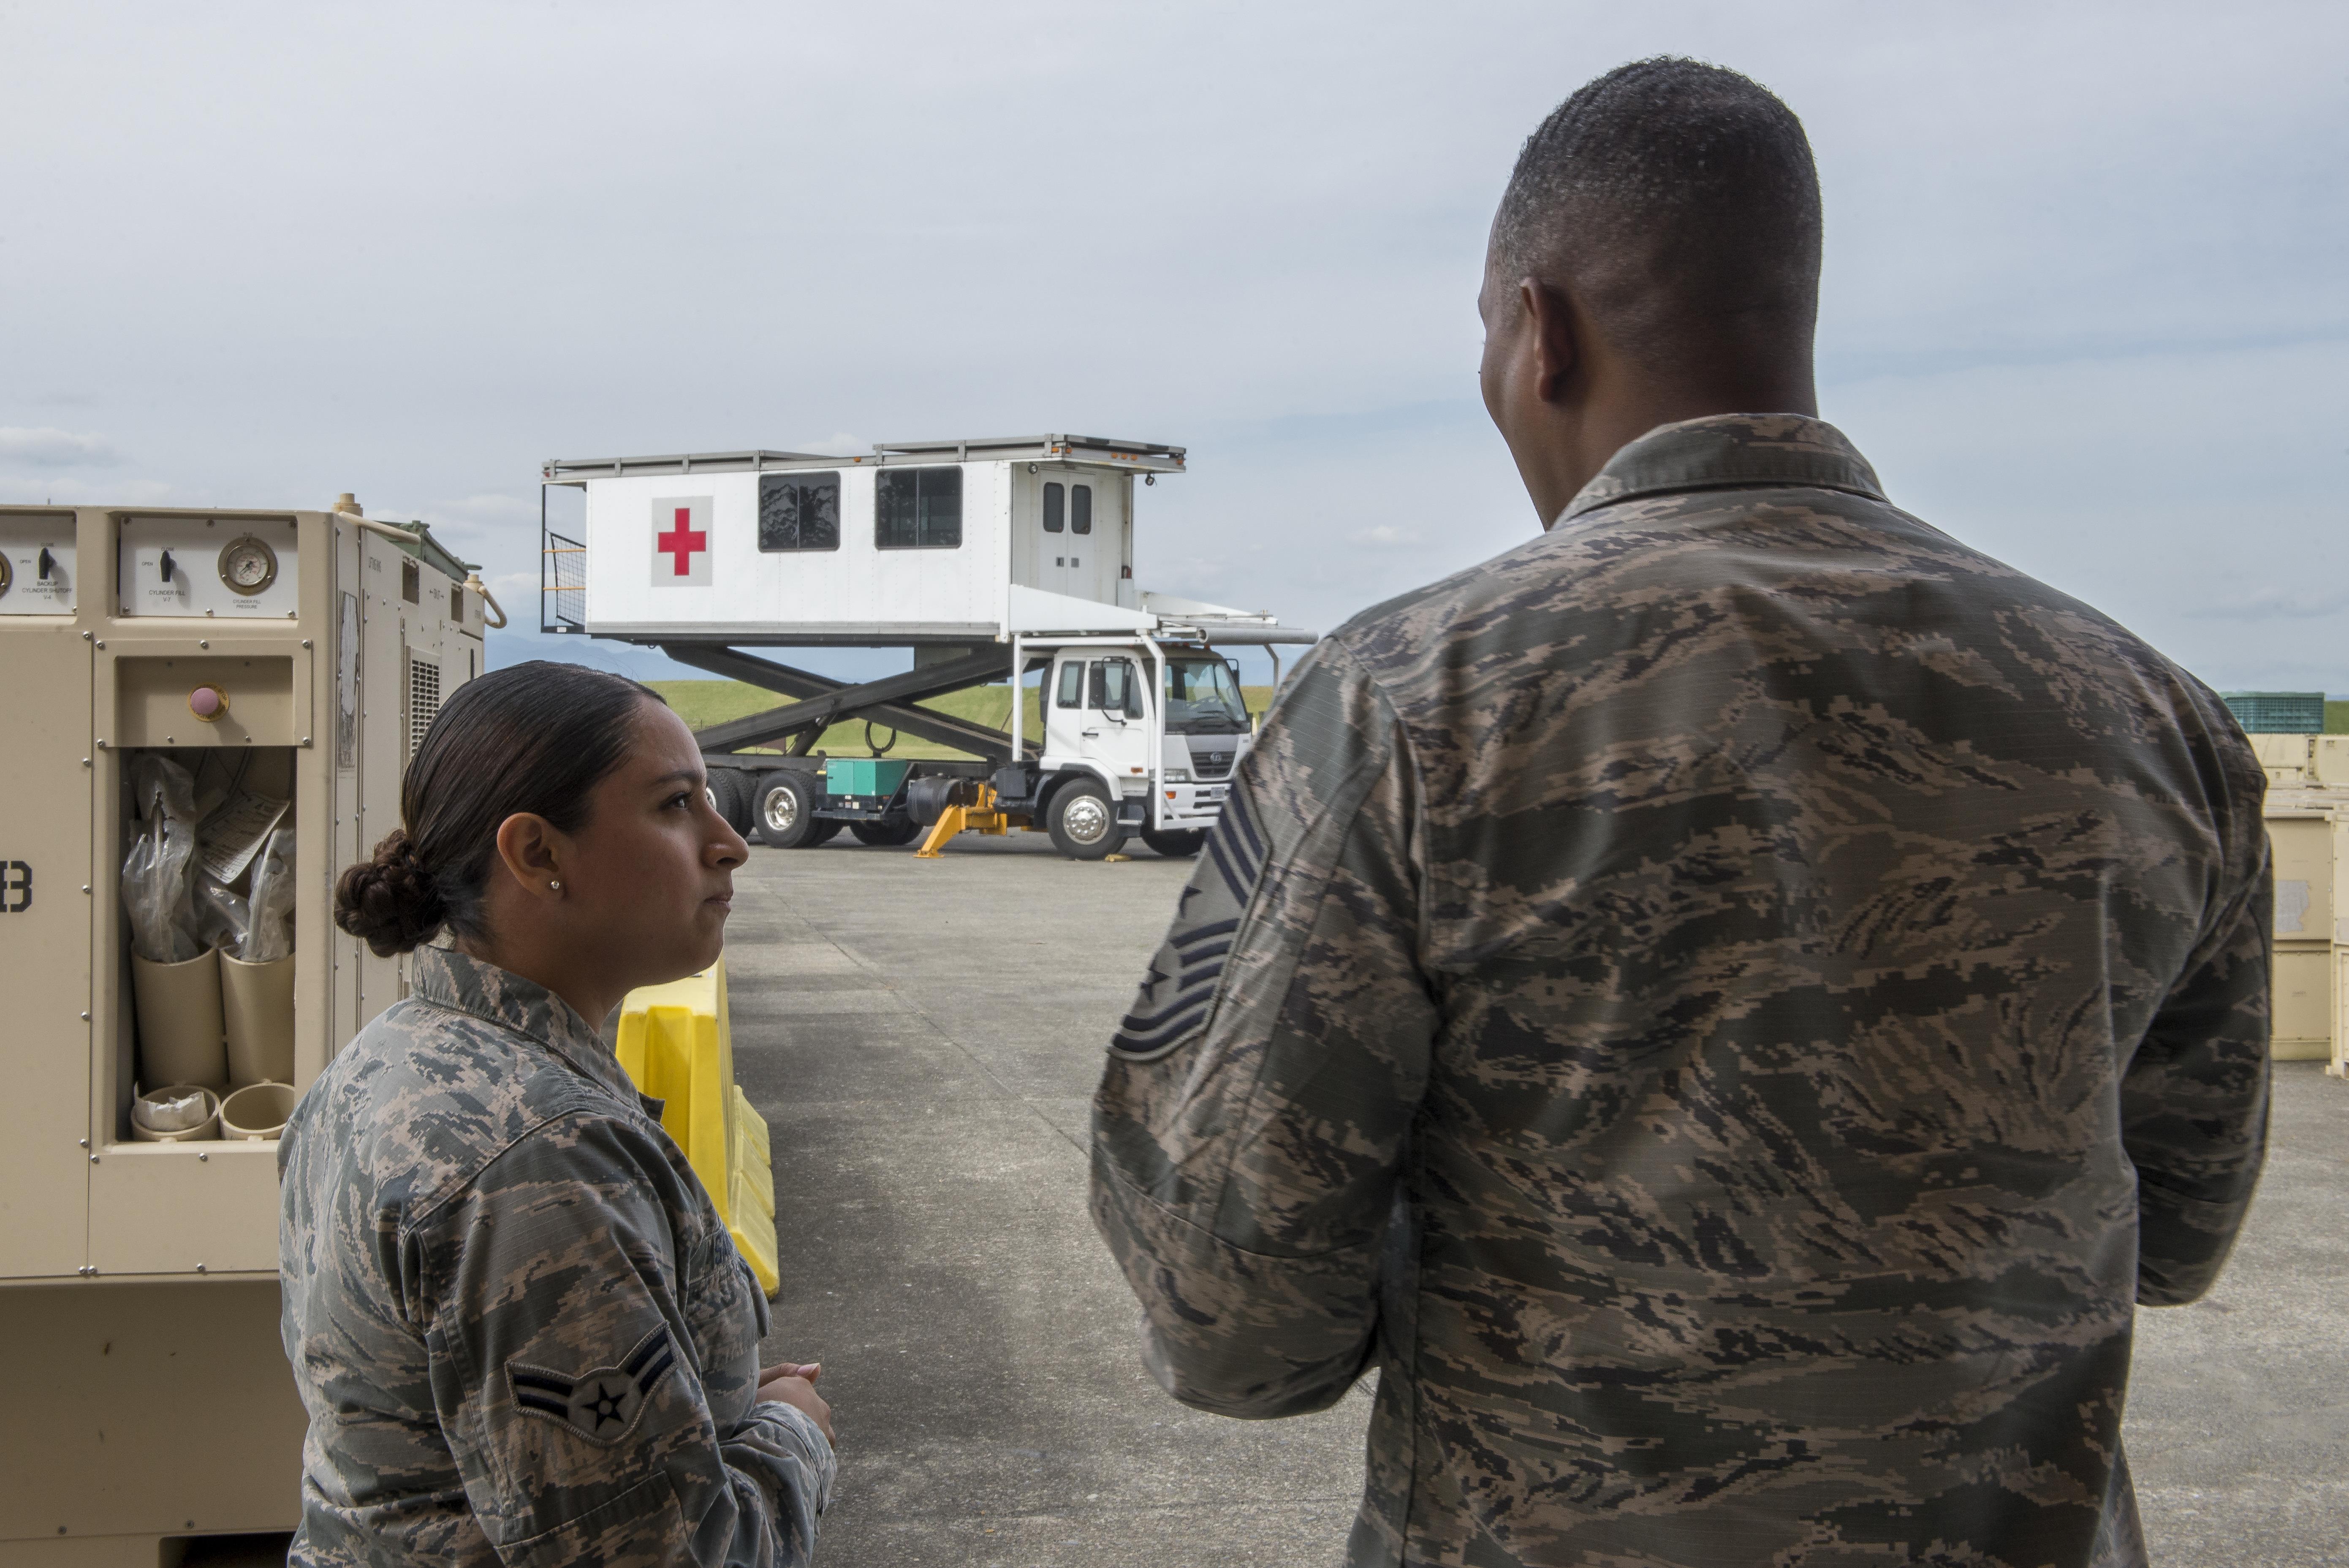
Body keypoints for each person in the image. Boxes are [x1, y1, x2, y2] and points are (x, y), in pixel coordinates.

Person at [1089, 57, 2270, 1568]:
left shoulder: (1407, 701)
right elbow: (2173, 1230)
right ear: (1794, 315)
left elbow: (1229, 1313)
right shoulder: (2149, 715)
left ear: (1540, 332)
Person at [281, 661, 836, 1564]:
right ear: (537, 854)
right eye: (674, 805)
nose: (729, 842)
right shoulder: (538, 1161)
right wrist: (790, 1432)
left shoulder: (387, 1057)